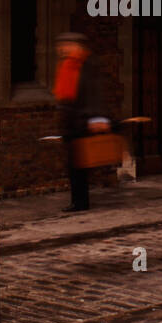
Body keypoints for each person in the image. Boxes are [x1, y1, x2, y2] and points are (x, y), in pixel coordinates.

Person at [53, 32, 109, 212]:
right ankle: (78, 200)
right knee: (75, 163)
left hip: (82, 119)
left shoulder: (86, 64)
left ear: (75, 46)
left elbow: (94, 93)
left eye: (65, 44)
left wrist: (97, 117)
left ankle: (80, 202)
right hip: (71, 119)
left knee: (79, 163)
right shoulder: (68, 64)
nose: (61, 48)